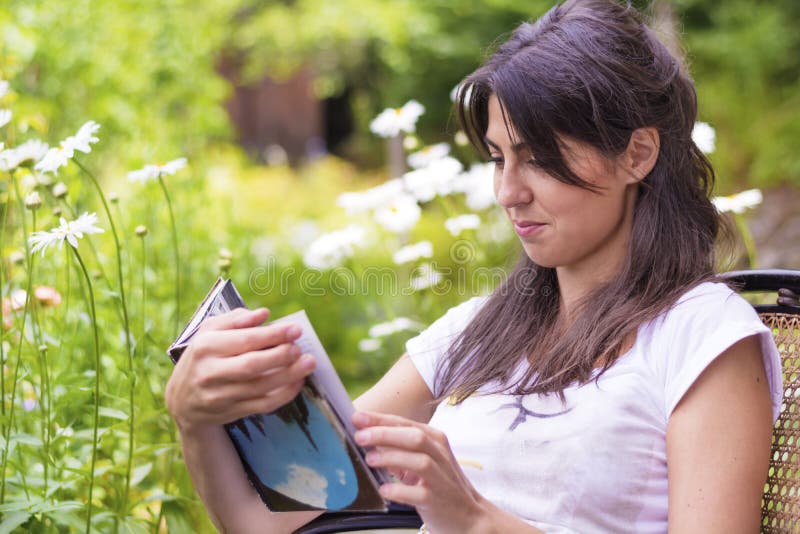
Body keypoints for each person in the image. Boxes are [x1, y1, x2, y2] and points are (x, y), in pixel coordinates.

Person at [165, 0, 784, 532]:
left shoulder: (703, 336)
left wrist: (477, 521)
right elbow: (274, 519)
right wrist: (196, 420)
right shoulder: (479, 331)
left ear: (638, 154)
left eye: (539, 157)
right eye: (497, 159)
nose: (508, 192)